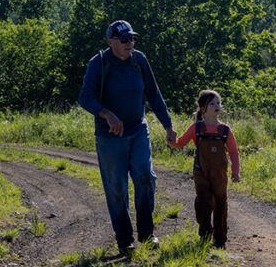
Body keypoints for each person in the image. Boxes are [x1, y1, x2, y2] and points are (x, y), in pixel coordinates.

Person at [78, 20, 176, 253]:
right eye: (124, 39)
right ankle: (125, 240)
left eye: (132, 38)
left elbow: (154, 94)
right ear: (110, 41)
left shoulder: (139, 60)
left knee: (146, 177)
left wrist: (168, 126)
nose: (129, 43)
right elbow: (85, 98)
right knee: (117, 188)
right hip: (109, 137)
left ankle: (147, 234)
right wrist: (106, 114)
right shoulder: (99, 63)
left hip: (138, 129)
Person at [169, 90, 241, 249]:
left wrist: (236, 172)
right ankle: (205, 234)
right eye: (212, 103)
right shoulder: (196, 128)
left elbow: (234, 153)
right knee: (203, 202)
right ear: (203, 108)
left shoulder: (225, 130)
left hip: (220, 174)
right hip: (201, 172)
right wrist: (171, 141)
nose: (217, 106)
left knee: (221, 203)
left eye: (218, 103)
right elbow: (180, 143)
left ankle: (220, 239)